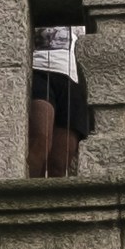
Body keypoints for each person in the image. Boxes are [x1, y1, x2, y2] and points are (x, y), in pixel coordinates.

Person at [28, 15, 87, 178]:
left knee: (60, 162)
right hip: (38, 71)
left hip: (71, 78)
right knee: (40, 140)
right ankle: (24, 192)